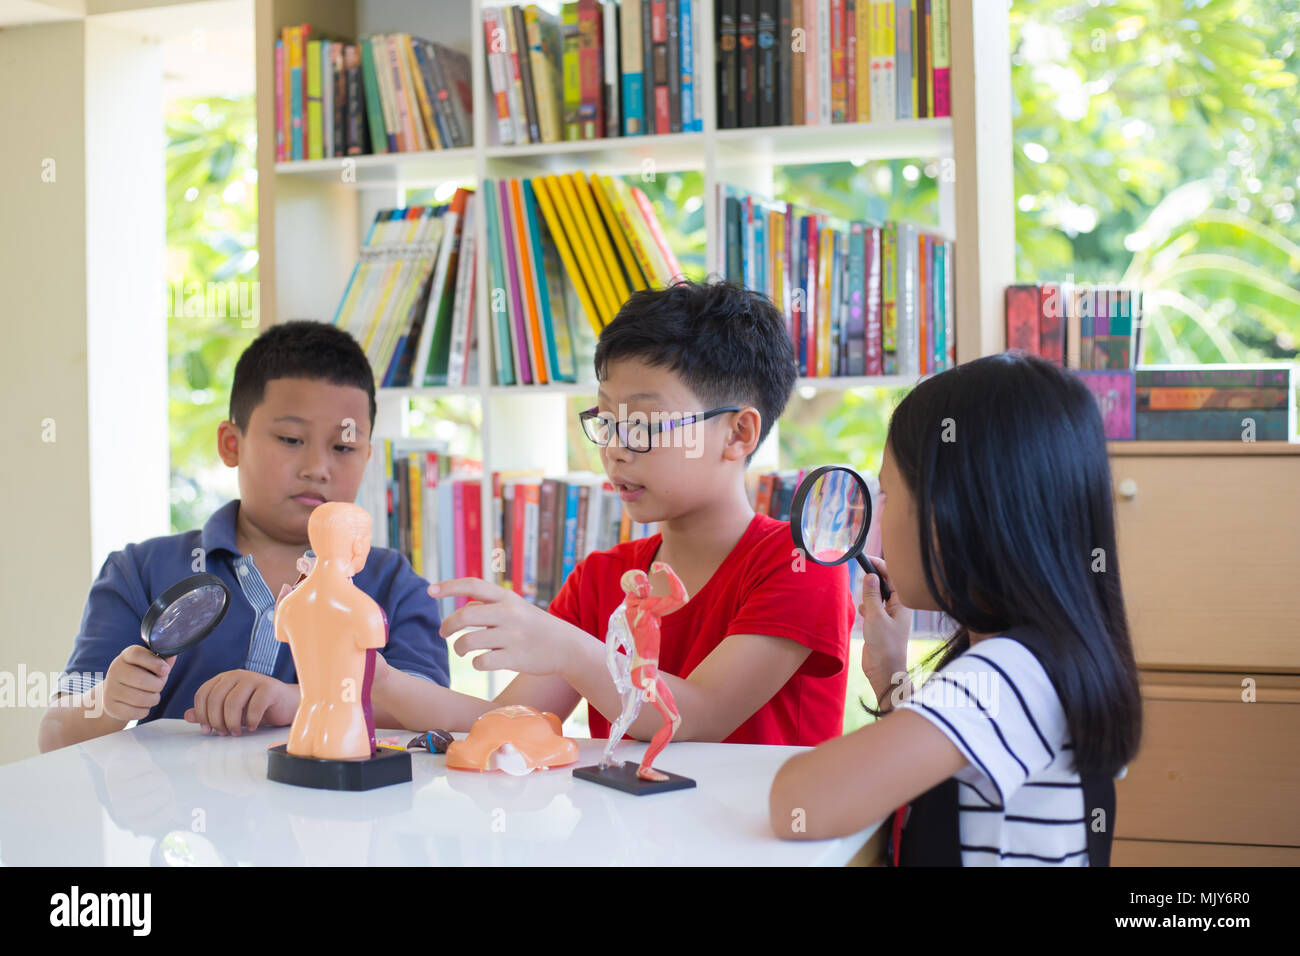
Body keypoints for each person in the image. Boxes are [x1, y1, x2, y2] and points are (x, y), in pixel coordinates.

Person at [374, 279, 856, 747]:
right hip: (627, 830)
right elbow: (507, 723)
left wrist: (568, 648)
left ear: (737, 434)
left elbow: (699, 714)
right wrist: (378, 681)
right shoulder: (601, 579)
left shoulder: (801, 562)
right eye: (607, 421)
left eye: (643, 424)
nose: (615, 450)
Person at [769, 351, 1143, 866]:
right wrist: (890, 675)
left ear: (953, 513)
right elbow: (945, 768)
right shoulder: (1050, 661)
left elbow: (801, 802)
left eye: (887, 492)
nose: (878, 520)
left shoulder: (1010, 674)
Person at [38, 321, 447, 752]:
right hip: (177, 818)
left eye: (344, 447)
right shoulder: (138, 571)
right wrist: (108, 703)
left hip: (337, 817)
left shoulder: (397, 585)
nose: (317, 468)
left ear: (367, 456)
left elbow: (431, 715)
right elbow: (55, 734)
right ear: (232, 444)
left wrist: (296, 701)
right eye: (291, 439)